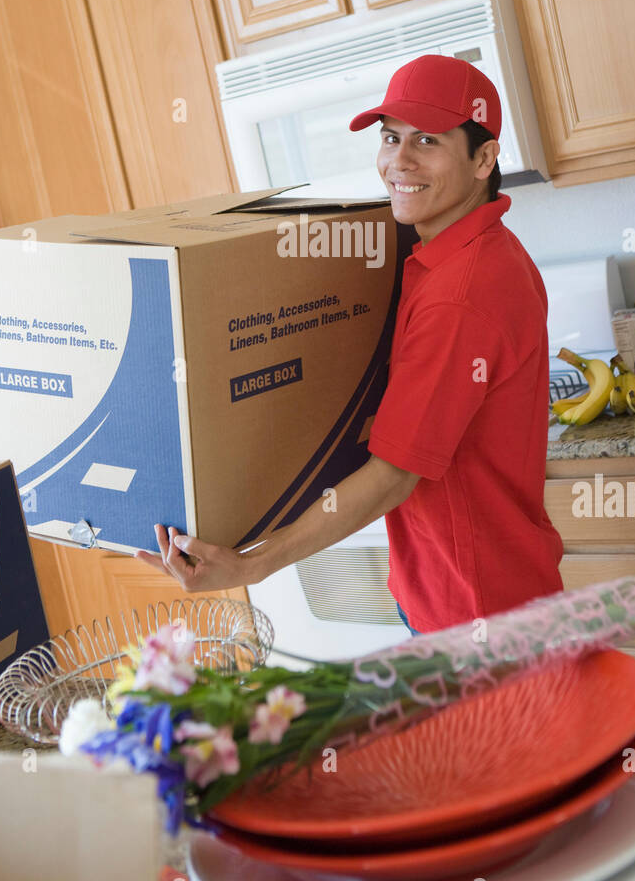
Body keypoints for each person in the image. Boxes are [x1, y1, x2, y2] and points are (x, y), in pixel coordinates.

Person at [136, 53, 564, 634]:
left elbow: (394, 474)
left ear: (484, 158)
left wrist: (252, 565)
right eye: (391, 138)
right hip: (454, 593)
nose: (398, 162)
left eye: (428, 141)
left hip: (476, 616)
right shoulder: (454, 255)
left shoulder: (463, 293)